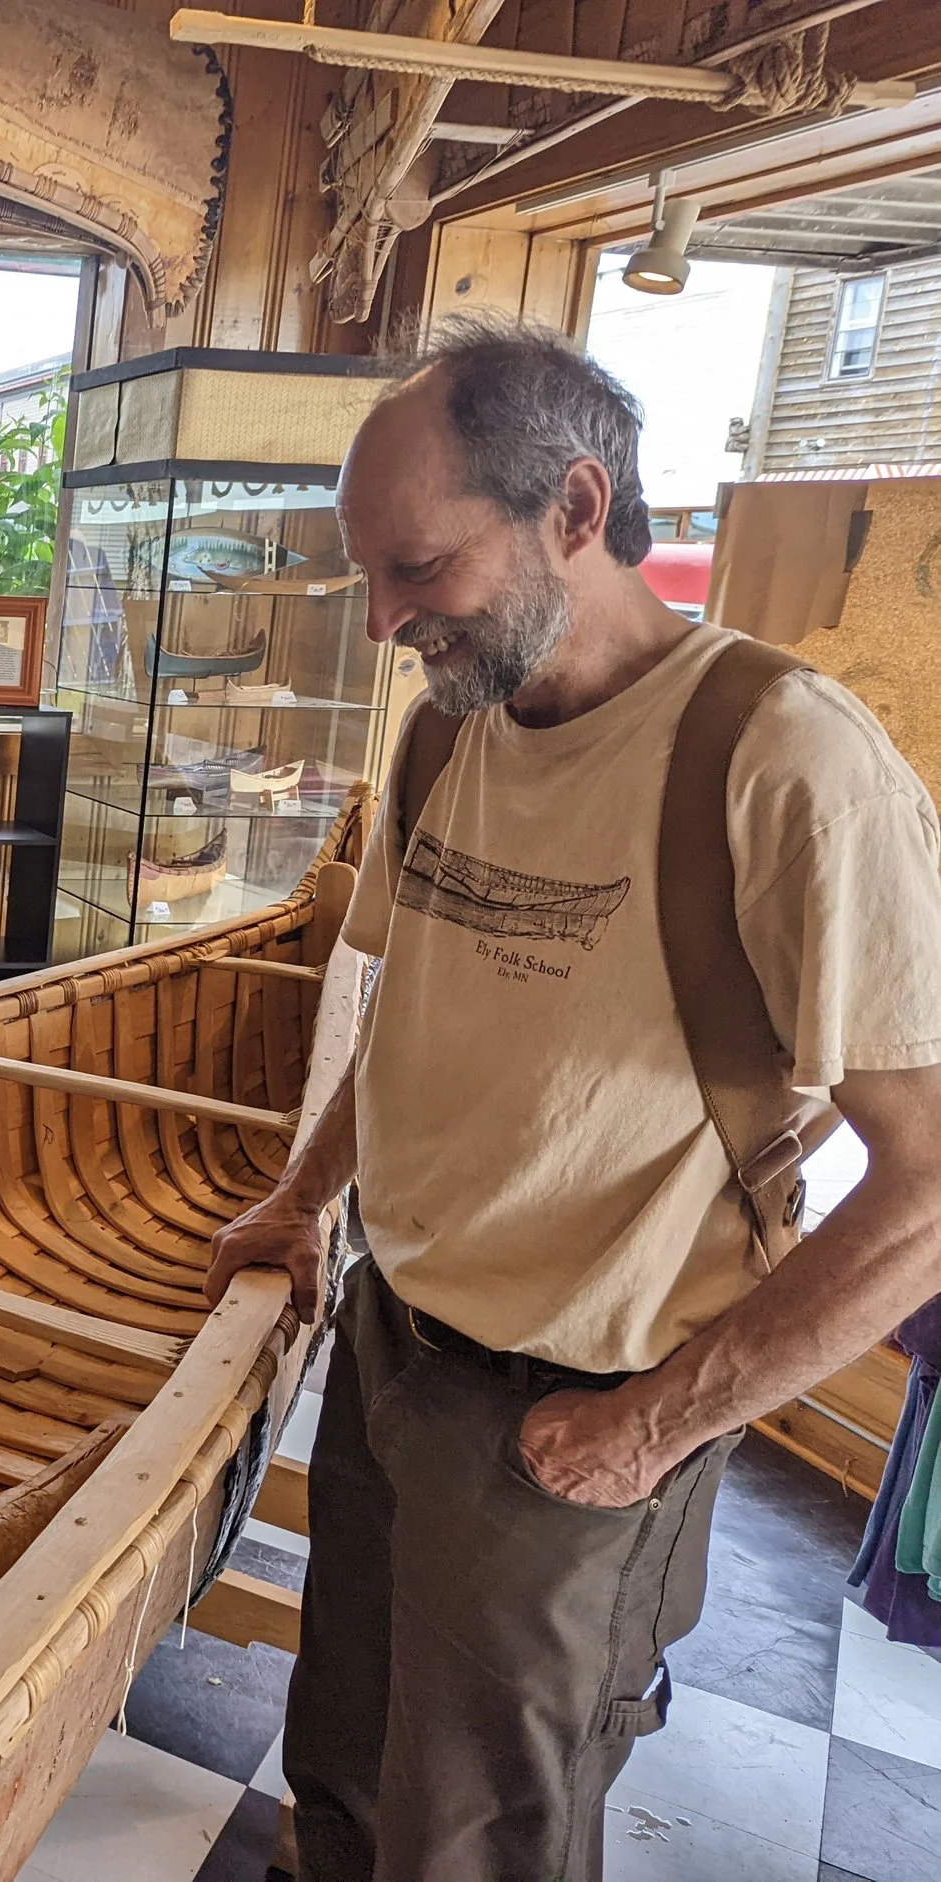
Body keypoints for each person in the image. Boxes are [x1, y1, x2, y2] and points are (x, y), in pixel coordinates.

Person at [206, 324, 941, 1881]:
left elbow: (928, 1185)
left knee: (478, 1837)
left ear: (578, 507)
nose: (391, 618)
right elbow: (410, 1007)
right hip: (393, 1337)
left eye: (418, 568)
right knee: (336, 1764)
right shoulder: (448, 726)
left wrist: (650, 1429)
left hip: (579, 1404)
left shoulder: (785, 761)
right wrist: (304, 1198)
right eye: (372, 578)